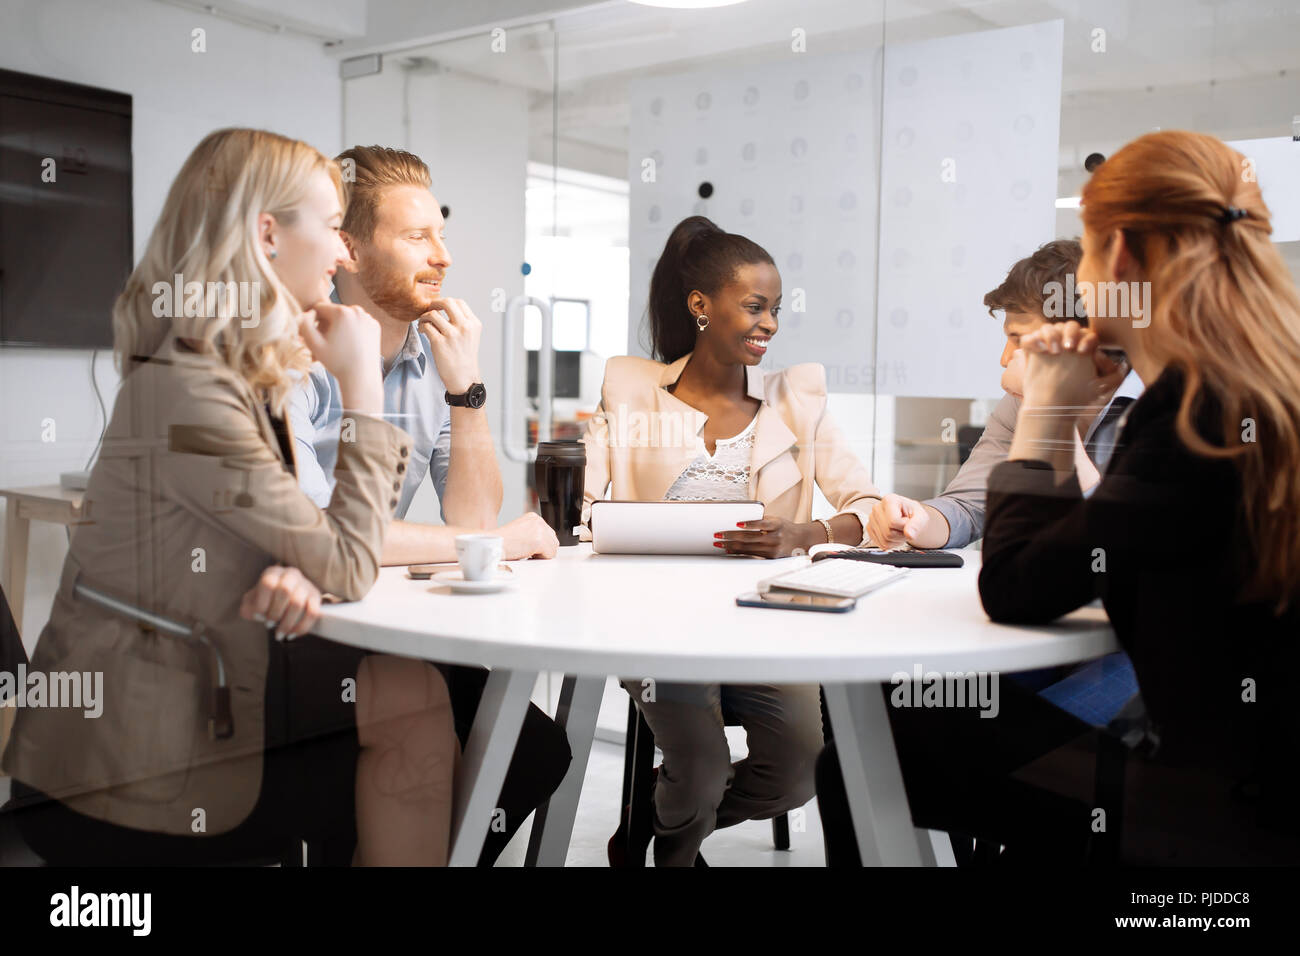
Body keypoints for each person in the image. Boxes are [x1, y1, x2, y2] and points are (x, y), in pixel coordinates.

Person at [835, 130, 1300, 865]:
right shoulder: (1257, 388)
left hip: (1207, 815)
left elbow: (1017, 586)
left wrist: (1048, 407)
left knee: (874, 733)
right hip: (1250, 781)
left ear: (1115, 259)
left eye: (1084, 251)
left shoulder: (1194, 418)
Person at [2, 128, 458, 865]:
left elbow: (304, 543)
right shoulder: (190, 391)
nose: (344, 254)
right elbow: (347, 560)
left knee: (427, 699)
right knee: (417, 706)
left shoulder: (242, 373)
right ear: (267, 234)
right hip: (129, 768)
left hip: (201, 693)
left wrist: (288, 560)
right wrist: (363, 393)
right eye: (333, 227)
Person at [288, 145, 570, 866]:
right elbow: (328, 537)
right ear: (347, 248)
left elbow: (471, 522)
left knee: (533, 750)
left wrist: (466, 387)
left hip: (389, 625)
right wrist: (498, 544)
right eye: (417, 237)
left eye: (441, 234)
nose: (442, 256)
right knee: (435, 735)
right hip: (300, 631)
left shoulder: (428, 358)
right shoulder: (290, 358)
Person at [581, 215, 882, 866]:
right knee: (701, 763)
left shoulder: (797, 400)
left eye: (775, 309)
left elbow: (871, 507)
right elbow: (584, 509)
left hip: (765, 624)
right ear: (700, 306)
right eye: (754, 306)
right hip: (655, 625)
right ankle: (677, 849)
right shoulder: (632, 391)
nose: (769, 322)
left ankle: (658, 831)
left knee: (797, 769)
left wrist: (808, 532)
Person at [866, 239, 1141, 552]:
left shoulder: (1164, 408)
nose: (1005, 358)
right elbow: (969, 506)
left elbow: (1117, 538)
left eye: (1019, 340)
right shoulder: (1020, 403)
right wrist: (920, 521)